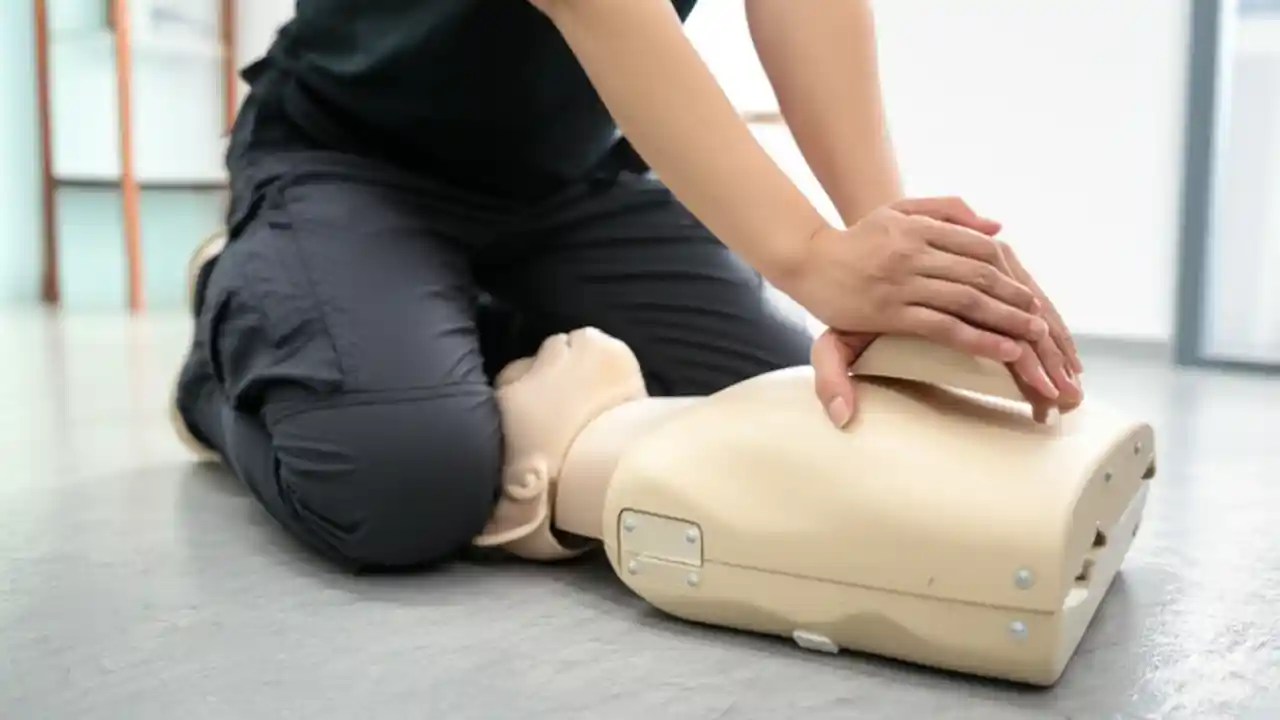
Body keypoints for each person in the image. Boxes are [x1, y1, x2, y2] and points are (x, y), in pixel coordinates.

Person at [173, 0, 1084, 571]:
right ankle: (222, 355)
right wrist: (811, 258)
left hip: (574, 179)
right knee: (407, 484)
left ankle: (423, 326)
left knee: (783, 411)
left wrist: (891, 262)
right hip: (351, 154)